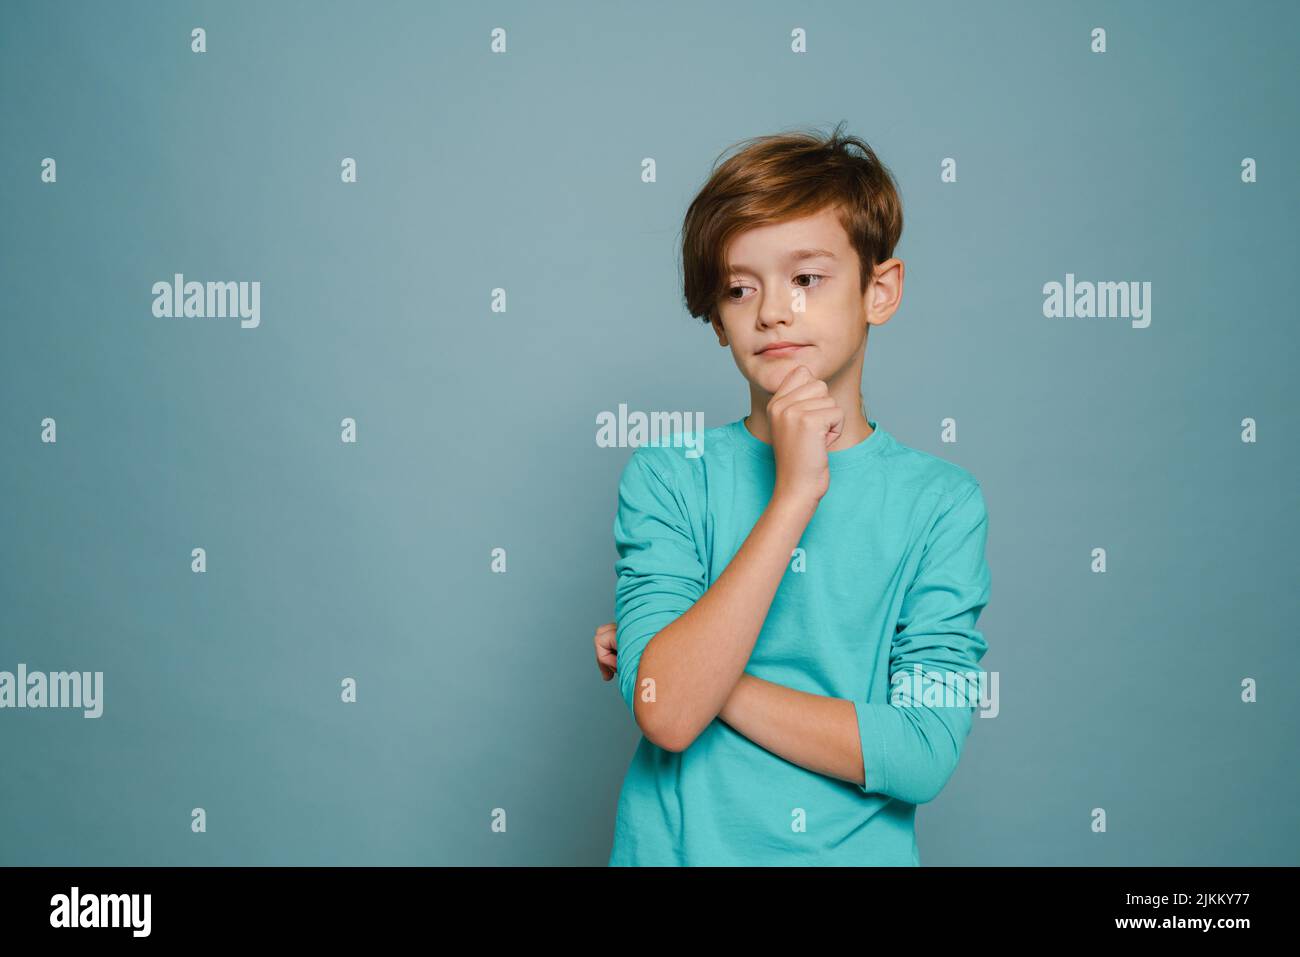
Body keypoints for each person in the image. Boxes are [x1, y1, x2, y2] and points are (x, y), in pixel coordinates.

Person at [597, 122, 991, 866]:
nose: (773, 310)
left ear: (881, 290)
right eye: (741, 288)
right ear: (717, 318)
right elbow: (670, 716)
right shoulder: (668, 475)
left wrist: (704, 677)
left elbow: (923, 751)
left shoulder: (942, 504)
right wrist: (794, 494)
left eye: (806, 278)